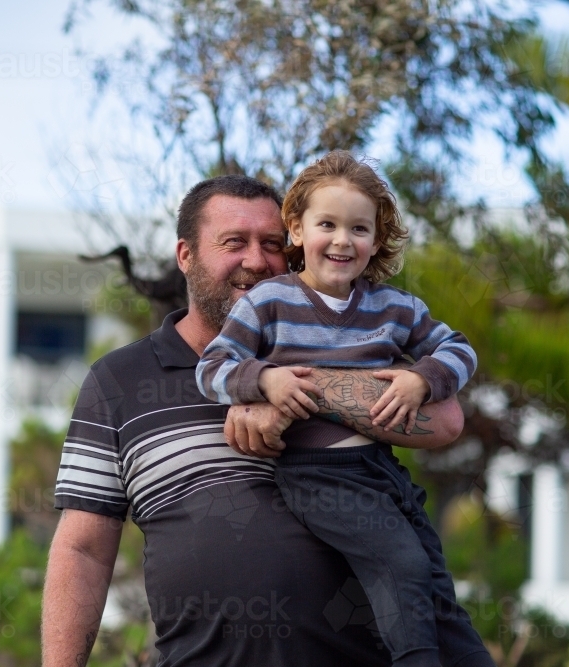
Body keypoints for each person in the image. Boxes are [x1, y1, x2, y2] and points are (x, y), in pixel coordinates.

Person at [42, 175, 468, 667]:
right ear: (186, 256)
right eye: (233, 243)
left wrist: (289, 393)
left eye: (271, 244)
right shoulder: (120, 379)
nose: (255, 261)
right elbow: (84, 551)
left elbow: (446, 418)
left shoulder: (339, 341)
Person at [195, 153, 491, 667]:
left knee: (435, 583)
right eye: (326, 224)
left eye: (359, 228)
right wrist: (263, 378)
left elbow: (460, 350)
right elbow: (213, 367)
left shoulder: (395, 308)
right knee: (401, 565)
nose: (341, 240)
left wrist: (425, 378)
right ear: (296, 228)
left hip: (380, 471)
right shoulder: (269, 302)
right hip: (318, 476)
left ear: (376, 240)